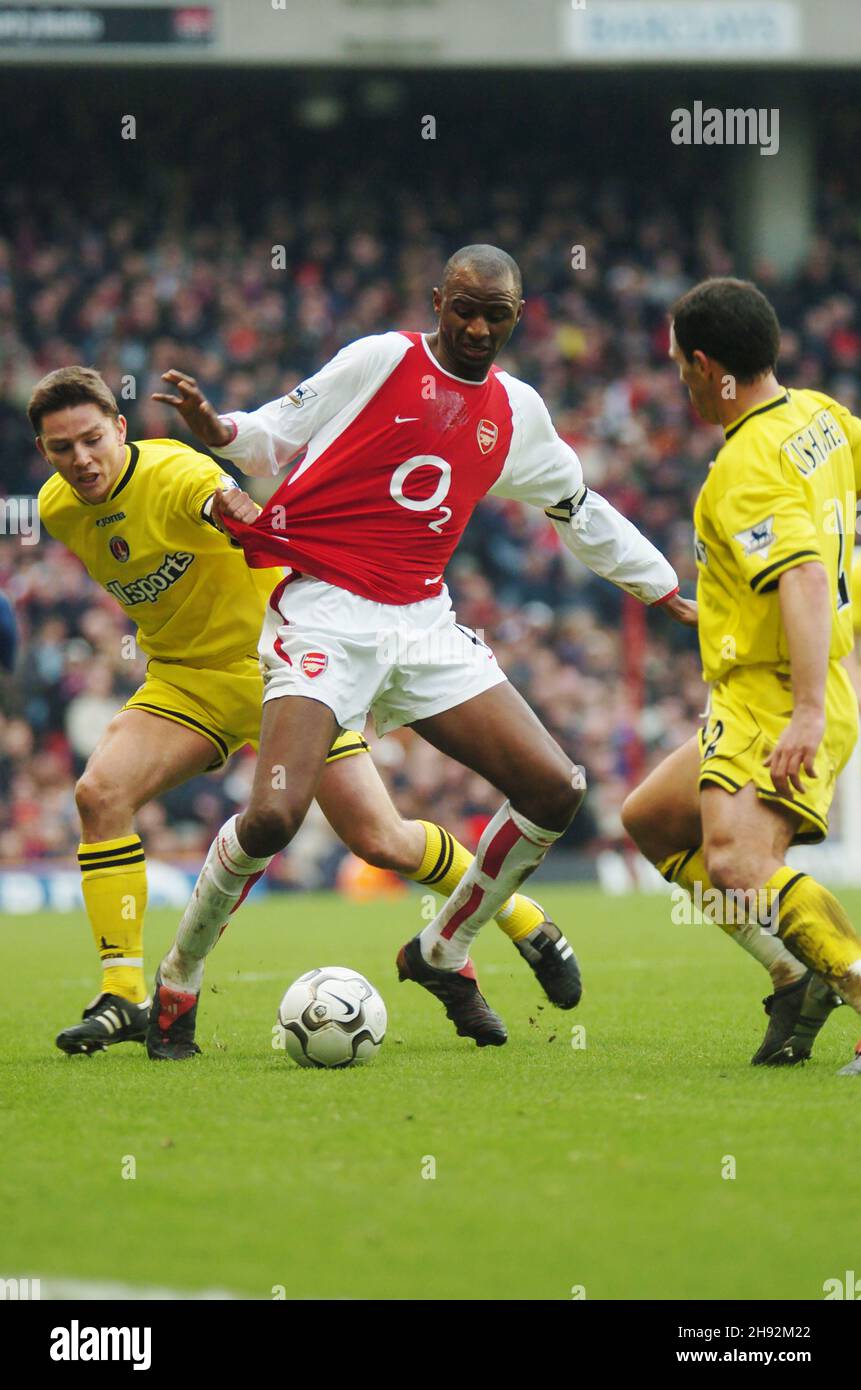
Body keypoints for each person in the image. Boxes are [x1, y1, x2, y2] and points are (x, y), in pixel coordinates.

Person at [146, 243, 694, 1060]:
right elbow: (270, 437)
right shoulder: (380, 360)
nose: (476, 326)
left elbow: (577, 506)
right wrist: (217, 428)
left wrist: (656, 584)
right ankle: (178, 983)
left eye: (494, 314)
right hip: (325, 613)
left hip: (423, 623)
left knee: (555, 790)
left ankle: (440, 948)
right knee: (272, 816)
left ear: (517, 316)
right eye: (462, 308)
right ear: (436, 300)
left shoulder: (517, 411)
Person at [32, 366, 582, 1055]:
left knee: (380, 839)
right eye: (61, 448)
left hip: (286, 668)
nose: (80, 460)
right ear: (45, 453)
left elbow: (219, 496)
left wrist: (233, 510)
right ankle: (121, 996)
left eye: (91, 440)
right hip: (187, 682)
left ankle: (522, 917)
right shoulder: (56, 507)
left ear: (120, 427)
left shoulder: (174, 475)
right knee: (99, 794)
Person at [621, 277, 861, 1074]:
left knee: (735, 863)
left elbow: (796, 577)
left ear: (703, 365)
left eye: (676, 365)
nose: (677, 381)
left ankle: (846, 977)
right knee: (653, 818)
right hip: (800, 674)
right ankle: (793, 969)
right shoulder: (819, 418)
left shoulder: (743, 466)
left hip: (774, 693)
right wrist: (725, 607)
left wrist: (800, 713)